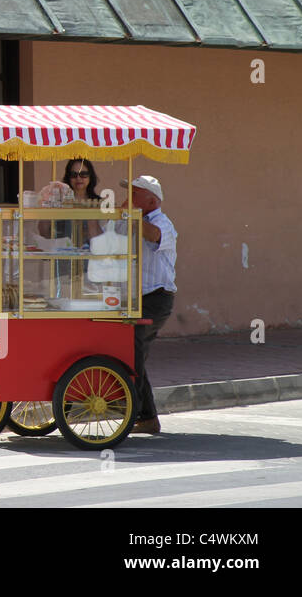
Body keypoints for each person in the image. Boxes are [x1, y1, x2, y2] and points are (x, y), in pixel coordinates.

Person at [119, 175, 176, 435]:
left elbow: (154, 235)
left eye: (135, 193)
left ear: (151, 200)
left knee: (133, 349)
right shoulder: (132, 220)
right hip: (134, 297)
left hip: (156, 298)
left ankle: (143, 413)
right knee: (133, 354)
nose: (129, 197)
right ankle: (145, 415)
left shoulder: (162, 223)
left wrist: (131, 216)